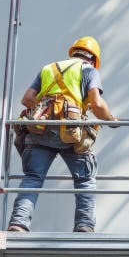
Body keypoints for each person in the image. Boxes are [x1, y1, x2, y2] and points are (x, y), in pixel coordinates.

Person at [7, 36, 118, 232]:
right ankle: (84, 226)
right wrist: (111, 120)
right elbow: (97, 104)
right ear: (93, 58)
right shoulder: (88, 70)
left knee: (33, 177)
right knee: (84, 179)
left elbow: (27, 99)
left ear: (74, 52)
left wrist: (48, 110)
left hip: (40, 130)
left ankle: (18, 223)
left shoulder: (48, 68)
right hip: (71, 131)